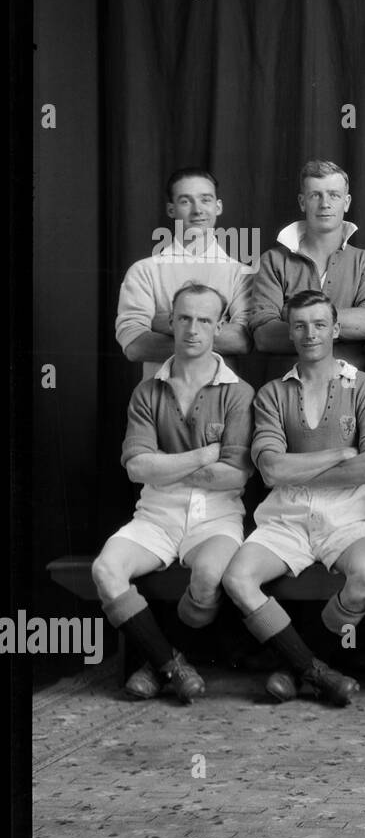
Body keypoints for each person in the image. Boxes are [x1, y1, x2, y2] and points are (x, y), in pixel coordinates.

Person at [222, 289, 365, 706]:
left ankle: (300, 664)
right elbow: (272, 470)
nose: (310, 334)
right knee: (237, 579)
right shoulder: (272, 393)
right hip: (287, 513)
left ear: (335, 329)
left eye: (319, 324)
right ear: (290, 333)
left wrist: (302, 464)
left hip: (350, 513)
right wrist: (338, 453)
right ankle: (314, 671)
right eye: (299, 326)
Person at [91, 283, 254, 703]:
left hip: (216, 517)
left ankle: (153, 664)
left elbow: (234, 477)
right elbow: (136, 468)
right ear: (171, 322)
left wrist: (167, 465)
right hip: (156, 515)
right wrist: (204, 455)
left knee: (208, 577)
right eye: (184, 318)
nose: (193, 329)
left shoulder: (239, 392)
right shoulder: (148, 391)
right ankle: (172, 665)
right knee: (106, 570)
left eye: (204, 320)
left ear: (219, 327)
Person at [248, 160, 365, 375]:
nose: (325, 204)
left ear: (346, 202)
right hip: (286, 391)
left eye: (334, 195)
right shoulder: (273, 261)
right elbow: (265, 337)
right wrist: (340, 326)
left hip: (350, 390)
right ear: (302, 202)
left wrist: (293, 317)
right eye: (315, 195)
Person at [115, 168, 251, 376]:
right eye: (185, 201)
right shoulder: (144, 271)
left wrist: (163, 323)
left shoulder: (241, 274)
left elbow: (242, 341)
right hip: (157, 400)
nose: (198, 210)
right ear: (171, 210)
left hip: (222, 402)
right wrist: (211, 331)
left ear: (218, 206)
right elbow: (135, 346)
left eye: (205, 200)